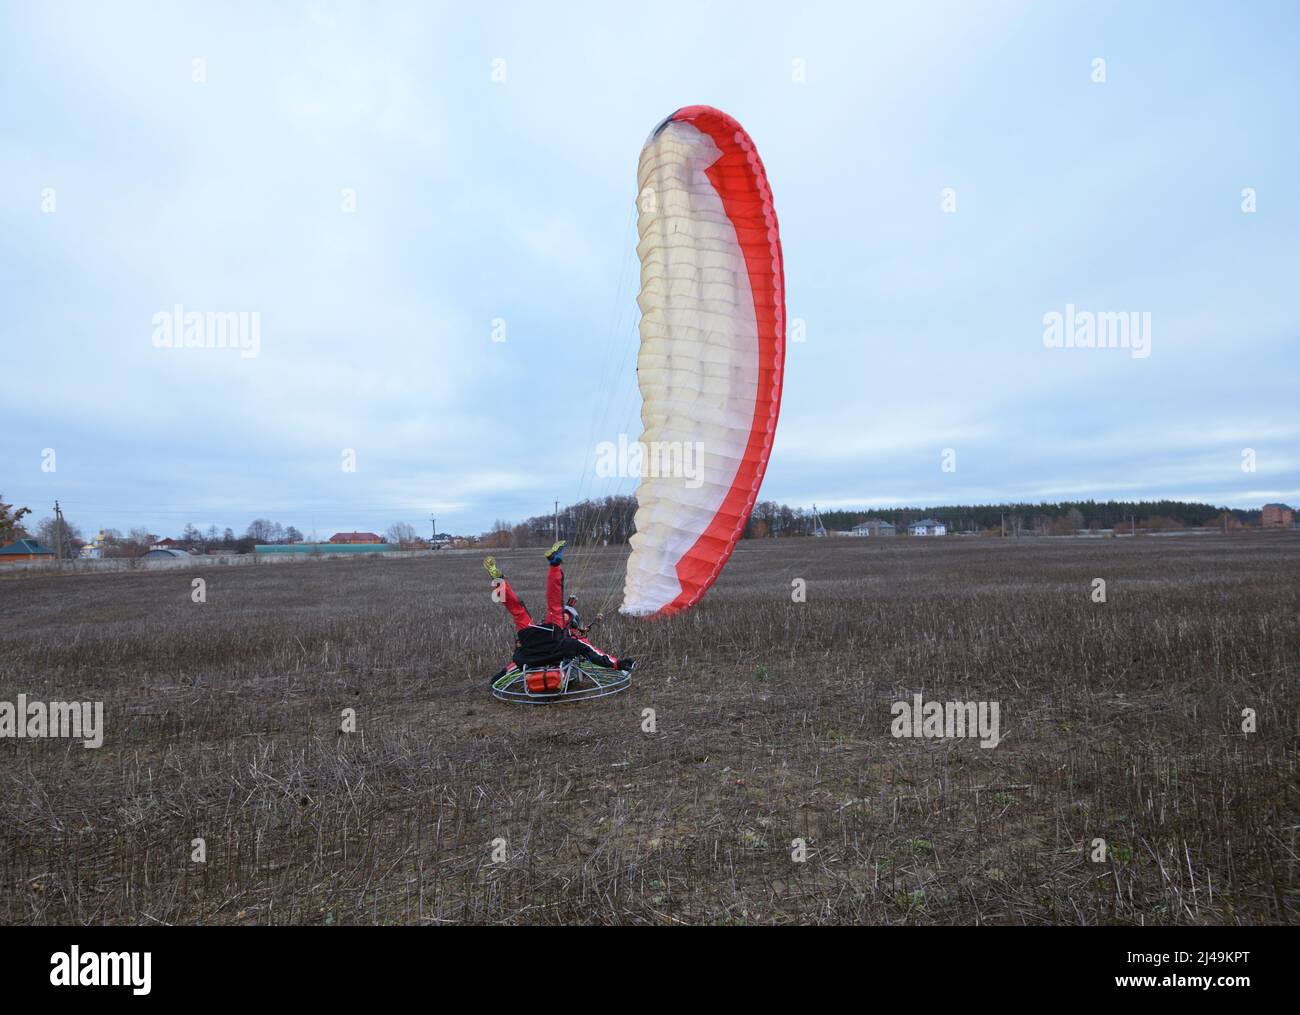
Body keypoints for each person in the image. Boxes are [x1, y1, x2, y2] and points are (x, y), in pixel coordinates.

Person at [485, 541, 634, 685]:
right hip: (554, 646)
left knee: (519, 611)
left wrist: (497, 678)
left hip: (529, 651)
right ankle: (554, 564)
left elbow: (511, 667)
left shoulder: (545, 628)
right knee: (552, 606)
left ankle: (499, 582)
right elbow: (595, 654)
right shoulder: (573, 638)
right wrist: (618, 664)